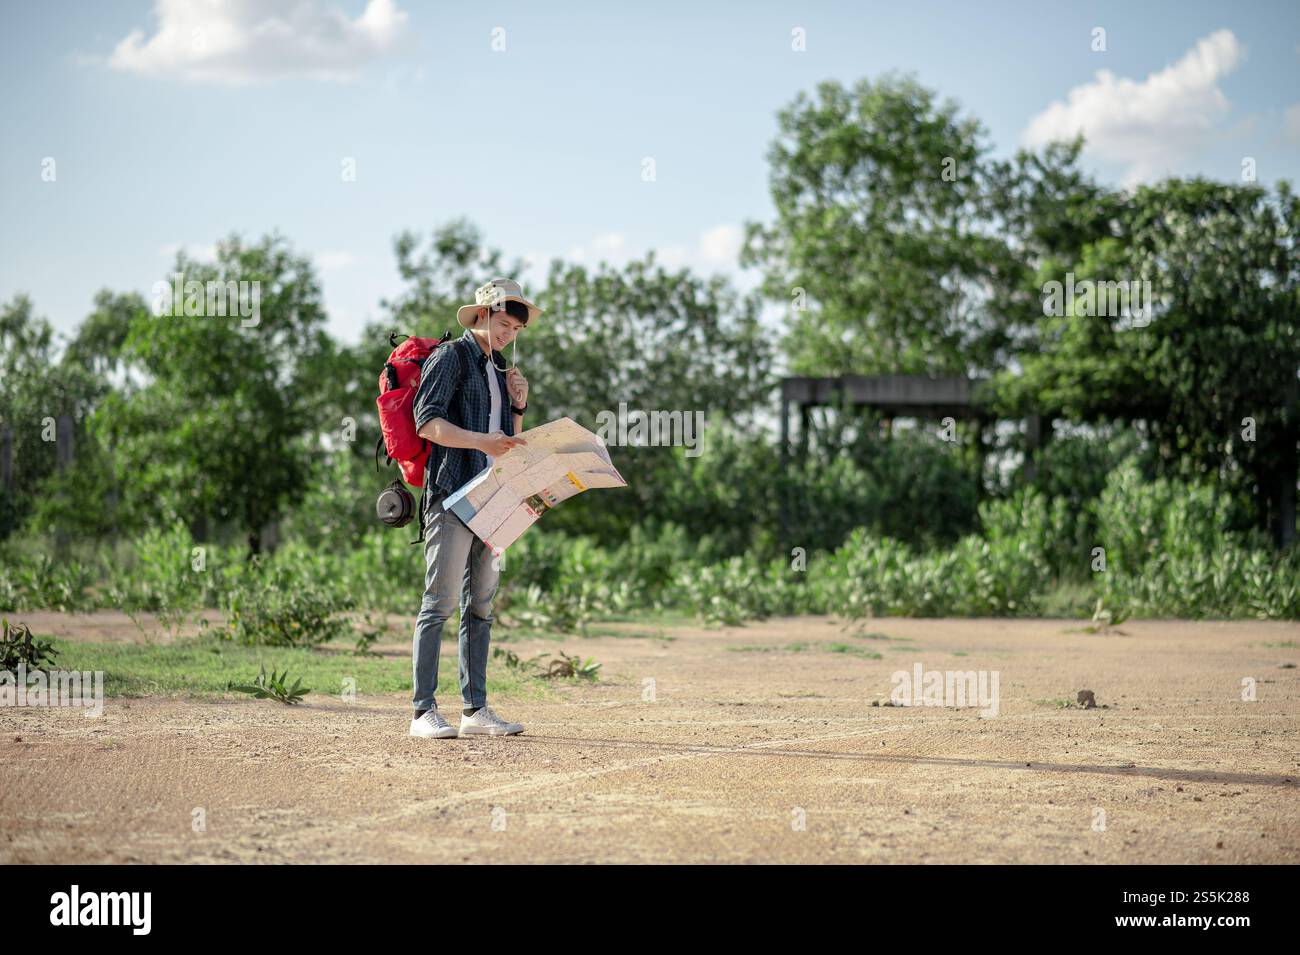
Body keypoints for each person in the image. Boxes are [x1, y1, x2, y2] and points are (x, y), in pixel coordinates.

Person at [407, 277, 539, 738]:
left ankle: (474, 711)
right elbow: (428, 424)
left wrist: (519, 407)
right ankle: (423, 713)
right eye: (504, 324)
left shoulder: (501, 369)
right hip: (451, 492)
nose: (509, 334)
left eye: (516, 330)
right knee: (439, 603)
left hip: (493, 498)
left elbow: (507, 441)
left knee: (480, 604)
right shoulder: (450, 357)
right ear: (482, 315)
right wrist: (484, 440)